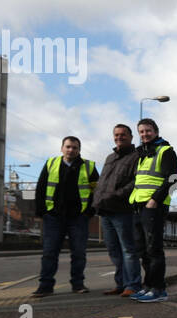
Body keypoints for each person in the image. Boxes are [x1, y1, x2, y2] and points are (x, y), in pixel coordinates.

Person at [31, 136, 98, 297]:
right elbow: (41, 188)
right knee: (49, 252)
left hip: (78, 217)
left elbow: (97, 190)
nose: (71, 150)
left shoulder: (89, 167)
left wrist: (90, 211)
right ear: (62, 148)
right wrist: (41, 211)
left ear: (79, 150)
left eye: (74, 147)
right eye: (68, 147)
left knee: (79, 253)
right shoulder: (51, 164)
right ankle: (45, 286)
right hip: (53, 216)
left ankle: (78, 284)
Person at [130, 118, 177, 302]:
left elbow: (173, 179)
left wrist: (154, 200)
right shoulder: (142, 153)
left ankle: (159, 290)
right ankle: (148, 286)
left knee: (154, 249)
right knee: (143, 250)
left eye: (148, 131)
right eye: (141, 132)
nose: (144, 134)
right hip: (138, 205)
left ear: (156, 131)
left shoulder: (165, 151)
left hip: (153, 206)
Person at [91, 124, 142, 296]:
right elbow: (102, 182)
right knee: (114, 251)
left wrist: (116, 195)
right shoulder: (110, 157)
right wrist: (97, 200)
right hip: (105, 210)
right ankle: (120, 284)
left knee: (128, 249)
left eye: (123, 135)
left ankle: (133, 285)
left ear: (131, 137)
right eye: (116, 134)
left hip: (122, 209)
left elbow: (136, 182)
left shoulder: (136, 156)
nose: (119, 137)